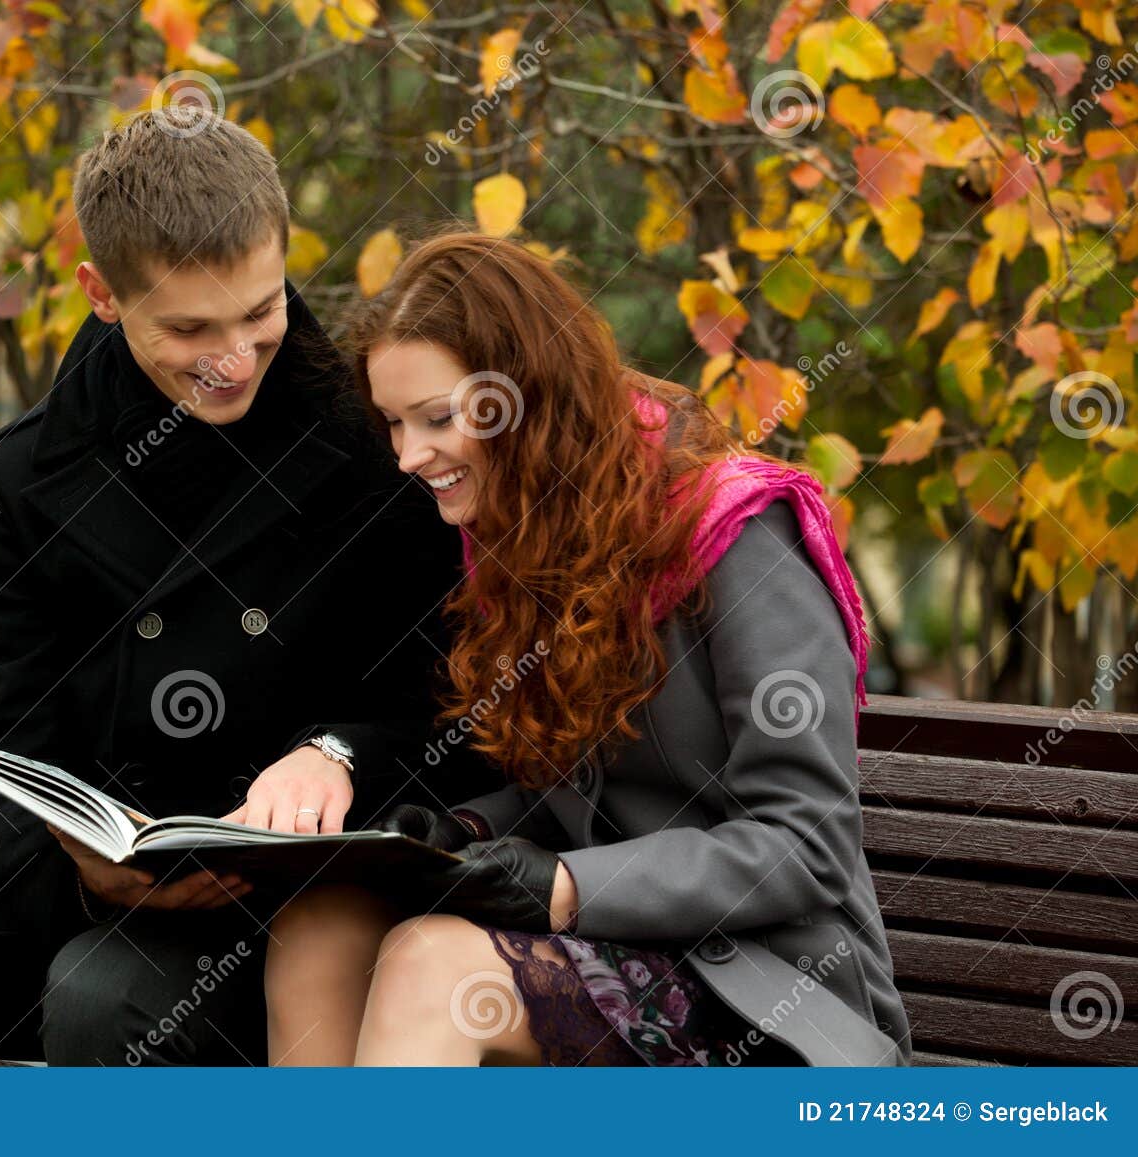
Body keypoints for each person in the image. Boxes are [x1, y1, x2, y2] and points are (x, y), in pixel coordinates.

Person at [0, 109, 497, 1066]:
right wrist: (86, 878)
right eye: (190, 328)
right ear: (101, 294)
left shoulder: (372, 436)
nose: (234, 360)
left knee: (100, 996)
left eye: (259, 313)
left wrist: (333, 752)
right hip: (87, 893)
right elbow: (10, 746)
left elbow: (450, 707)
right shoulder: (29, 474)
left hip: (303, 912)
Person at [263, 232, 914, 1067]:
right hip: (610, 949)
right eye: (393, 424)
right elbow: (582, 800)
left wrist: (566, 888)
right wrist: (456, 832)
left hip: (769, 995)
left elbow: (808, 843)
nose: (406, 456)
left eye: (434, 419)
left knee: (433, 966)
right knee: (323, 920)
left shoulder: (741, 530)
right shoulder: (521, 540)